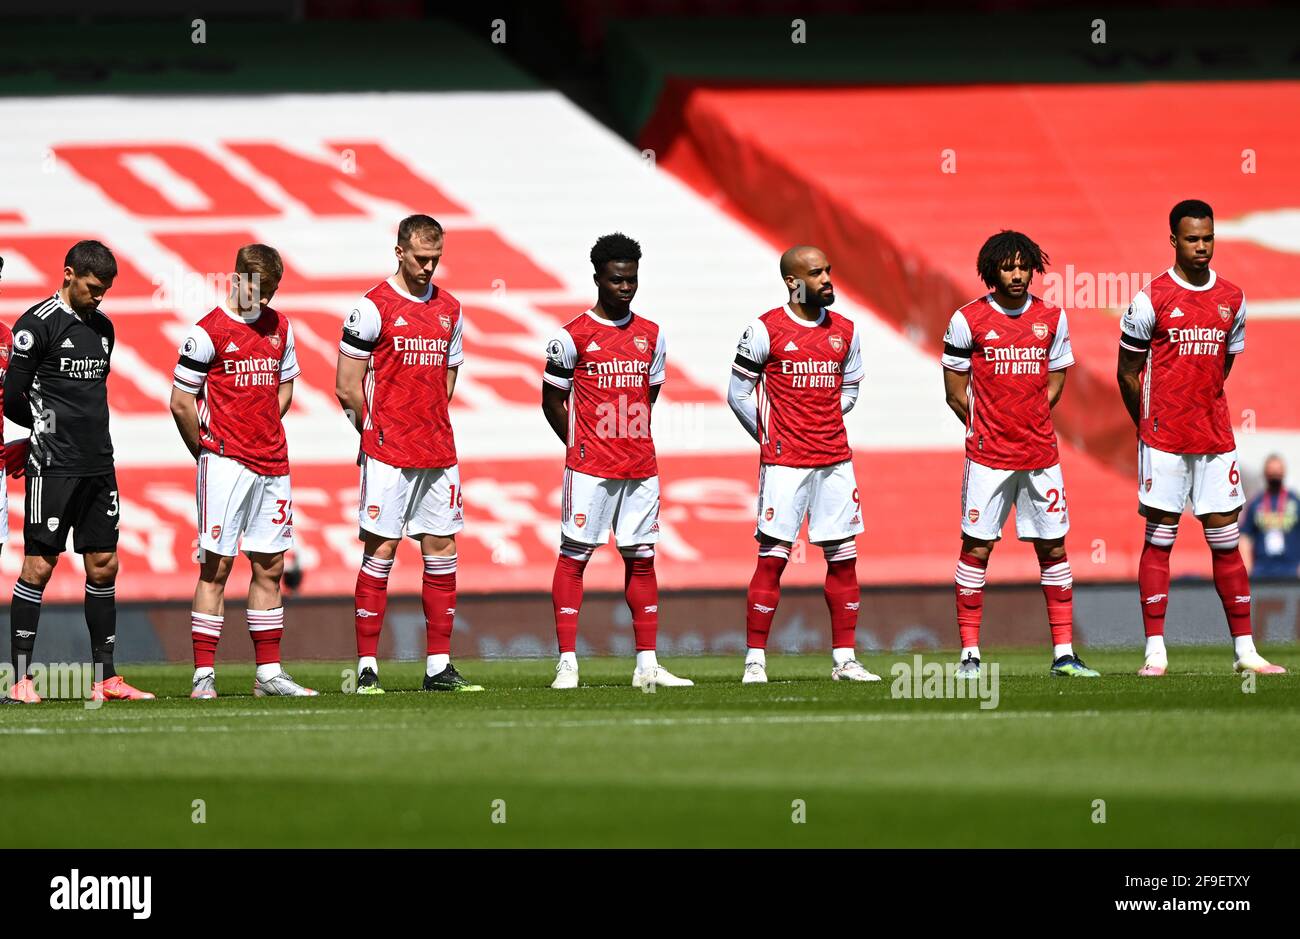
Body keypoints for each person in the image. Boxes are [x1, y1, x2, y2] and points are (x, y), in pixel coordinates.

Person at [1117, 199, 1285, 675]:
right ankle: (1155, 650)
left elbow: (1223, 367)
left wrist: (1199, 405)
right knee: (1161, 537)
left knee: (1227, 540)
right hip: (1164, 439)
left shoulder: (1233, 297)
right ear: (1174, 240)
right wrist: (1148, 424)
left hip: (1214, 437)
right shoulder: (1150, 299)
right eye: (1192, 239)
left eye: (1208, 238)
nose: (1202, 247)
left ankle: (1245, 651)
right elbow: (1127, 372)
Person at [940, 231, 1097, 677]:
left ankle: (1064, 654)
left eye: (1023, 266)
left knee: (1053, 548)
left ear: (1033, 269)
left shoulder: (1051, 318)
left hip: (1040, 454)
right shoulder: (966, 320)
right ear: (992, 272)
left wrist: (1026, 419)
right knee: (977, 546)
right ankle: (970, 655)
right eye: (1007, 267)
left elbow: (1056, 383)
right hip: (988, 457)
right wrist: (993, 425)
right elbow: (955, 394)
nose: (1016, 274)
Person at [335, 215, 482, 693]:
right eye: (421, 258)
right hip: (389, 452)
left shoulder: (450, 309)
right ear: (399, 252)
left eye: (436, 258)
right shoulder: (372, 308)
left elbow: (448, 379)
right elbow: (346, 384)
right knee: (382, 551)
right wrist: (373, 430)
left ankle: (438, 666)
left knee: (441, 551)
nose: (428, 267)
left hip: (437, 449)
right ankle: (366, 667)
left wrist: (428, 419)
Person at [3, 240, 153, 703]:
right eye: (93, 287)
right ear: (68, 274)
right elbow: (13, 399)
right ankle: (21, 679)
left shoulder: (104, 328)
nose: (100, 296)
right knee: (40, 565)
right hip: (52, 467)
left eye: (105, 289)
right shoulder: (36, 326)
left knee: (105, 564)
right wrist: (45, 433)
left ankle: (105, 677)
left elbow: (91, 397)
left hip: (98, 465)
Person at [541, 233, 692, 689]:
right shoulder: (571, 337)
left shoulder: (652, 335)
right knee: (575, 556)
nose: (625, 288)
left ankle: (647, 665)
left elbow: (649, 396)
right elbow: (552, 402)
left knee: (641, 559)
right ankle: (567, 662)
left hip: (640, 466)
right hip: (589, 468)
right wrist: (579, 446)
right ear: (597, 279)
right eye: (616, 280)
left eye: (631, 280)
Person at [727, 245, 880, 683]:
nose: (827, 279)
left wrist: (826, 417)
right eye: (816, 273)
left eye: (828, 270)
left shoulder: (845, 331)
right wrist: (769, 436)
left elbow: (849, 391)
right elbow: (738, 393)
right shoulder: (764, 330)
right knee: (773, 559)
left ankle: (845, 660)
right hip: (785, 464)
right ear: (793, 282)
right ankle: (755, 659)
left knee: (843, 558)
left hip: (835, 460)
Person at [169, 244, 316, 699]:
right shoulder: (207, 333)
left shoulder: (280, 327)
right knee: (216, 567)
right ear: (237, 280)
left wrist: (264, 428)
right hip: (225, 463)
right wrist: (209, 452)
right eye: (260, 290)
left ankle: (268, 674)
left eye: (273, 291)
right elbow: (180, 402)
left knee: (270, 566)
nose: (267, 300)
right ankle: (203, 677)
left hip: (273, 462)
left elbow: (285, 387)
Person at [1240, 454, 1300, 579]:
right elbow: (1244, 536)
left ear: (1284, 472)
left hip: (1291, 570)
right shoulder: (1256, 503)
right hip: (1261, 571)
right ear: (1265, 474)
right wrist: (1248, 568)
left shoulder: (1295, 501)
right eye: (1271, 471)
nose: (1275, 475)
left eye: (1278, 471)